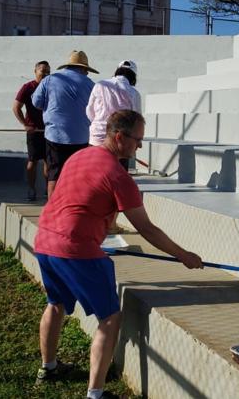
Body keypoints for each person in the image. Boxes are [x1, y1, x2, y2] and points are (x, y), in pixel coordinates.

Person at [33, 110, 203, 397]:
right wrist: (183, 255)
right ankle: (95, 394)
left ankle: (48, 367)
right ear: (119, 136)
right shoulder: (118, 176)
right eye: (137, 140)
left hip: (45, 241)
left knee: (55, 304)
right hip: (75, 248)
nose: (139, 146)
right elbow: (146, 229)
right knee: (110, 318)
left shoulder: (79, 157)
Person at [31, 50, 96, 198]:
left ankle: (52, 211)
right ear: (84, 69)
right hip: (81, 138)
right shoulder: (92, 85)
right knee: (77, 176)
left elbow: (36, 102)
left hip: (55, 135)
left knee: (54, 173)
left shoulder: (49, 80)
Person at [86, 60, 141, 171]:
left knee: (94, 174)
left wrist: (101, 124)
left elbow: (90, 111)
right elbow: (136, 120)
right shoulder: (133, 93)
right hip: (120, 141)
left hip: (97, 138)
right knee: (118, 178)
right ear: (133, 76)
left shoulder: (100, 85)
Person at [13, 61, 51, 201]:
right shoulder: (28, 87)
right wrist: (25, 124)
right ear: (35, 71)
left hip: (48, 130)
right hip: (34, 131)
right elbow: (16, 107)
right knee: (33, 161)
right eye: (42, 71)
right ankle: (31, 188)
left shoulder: (51, 87)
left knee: (49, 161)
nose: (46, 73)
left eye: (48, 71)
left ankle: (49, 189)